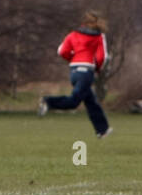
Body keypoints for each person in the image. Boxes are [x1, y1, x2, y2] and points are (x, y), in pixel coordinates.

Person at [39, 10, 113, 139]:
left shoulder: (73, 34)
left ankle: (102, 130)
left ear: (83, 23)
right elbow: (102, 57)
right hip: (87, 71)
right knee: (73, 102)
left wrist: (73, 59)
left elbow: (61, 51)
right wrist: (97, 69)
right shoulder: (99, 37)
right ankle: (48, 101)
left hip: (74, 71)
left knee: (91, 101)